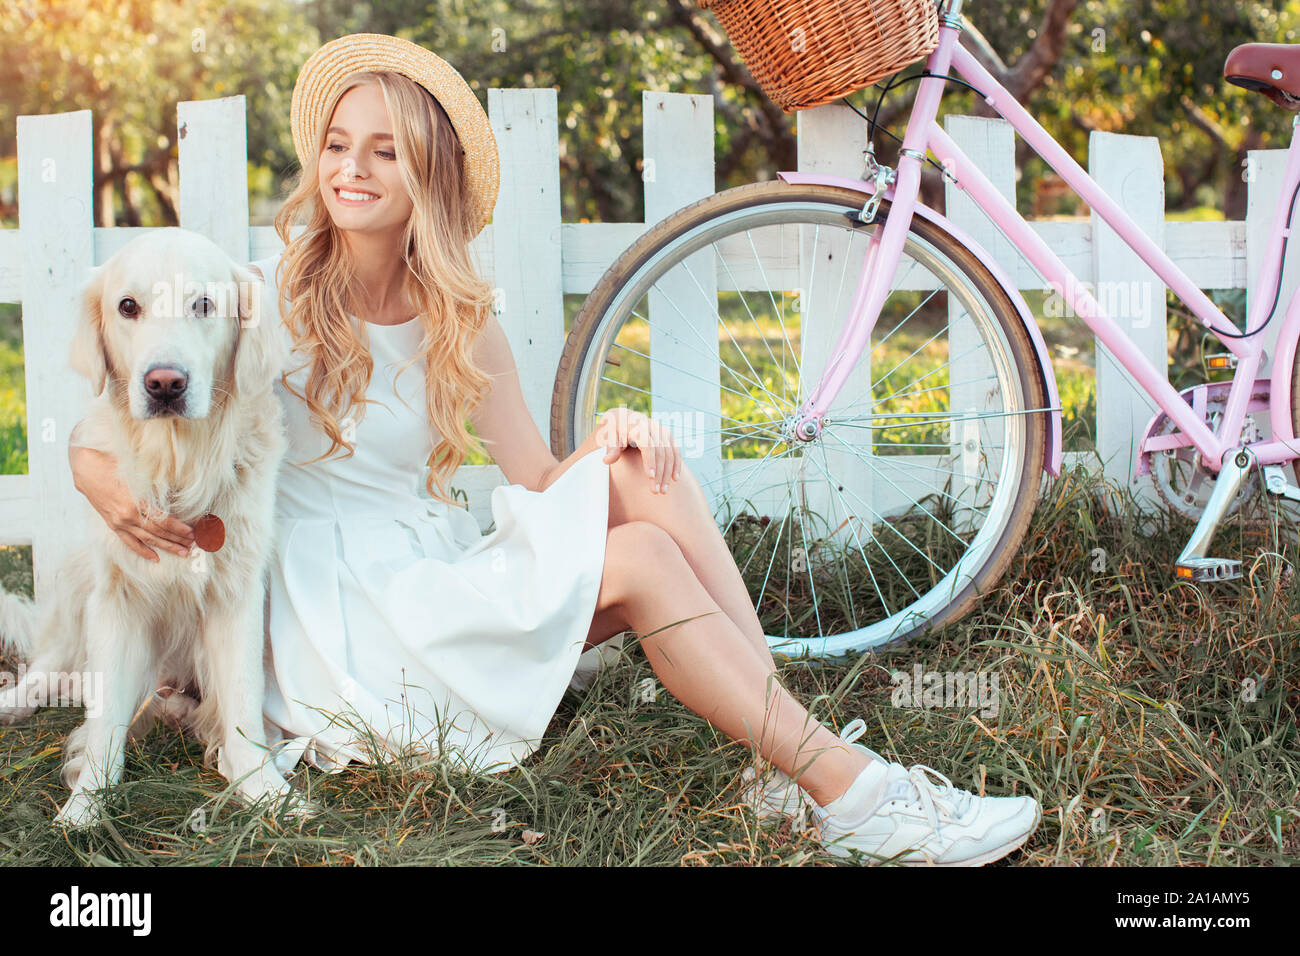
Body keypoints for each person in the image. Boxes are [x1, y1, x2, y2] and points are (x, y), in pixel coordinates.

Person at [68, 33, 1041, 865]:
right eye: (336, 146)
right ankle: (848, 787)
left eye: (384, 152)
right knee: (646, 559)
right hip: (327, 603)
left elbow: (537, 479)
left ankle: (792, 762)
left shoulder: (461, 317)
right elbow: (107, 412)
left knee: (635, 471)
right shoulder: (263, 293)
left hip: (421, 560)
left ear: (427, 175)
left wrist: (615, 442)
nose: (351, 169)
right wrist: (100, 483)